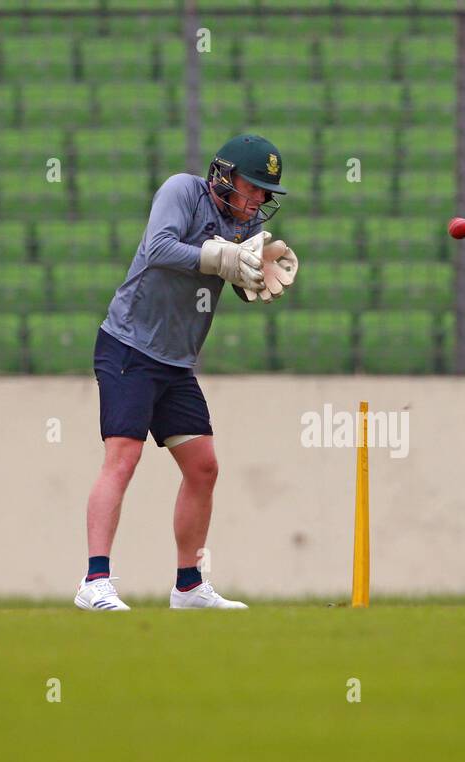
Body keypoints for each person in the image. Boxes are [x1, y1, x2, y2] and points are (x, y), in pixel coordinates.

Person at [75, 134, 299, 611]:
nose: (258, 200)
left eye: (265, 193)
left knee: (203, 467)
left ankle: (189, 584)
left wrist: (255, 276)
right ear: (224, 174)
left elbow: (233, 278)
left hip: (177, 360)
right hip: (128, 345)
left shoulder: (247, 224)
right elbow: (158, 248)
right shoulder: (182, 191)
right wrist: (221, 257)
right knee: (123, 458)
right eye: (252, 187)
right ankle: (95, 581)